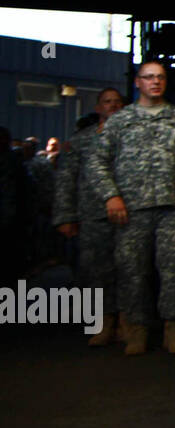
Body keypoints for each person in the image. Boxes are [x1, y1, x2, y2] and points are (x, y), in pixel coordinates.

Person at [86, 62, 175, 355]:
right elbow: (96, 162)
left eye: (160, 77)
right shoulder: (121, 121)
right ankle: (137, 329)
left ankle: (173, 326)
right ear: (138, 83)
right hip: (131, 209)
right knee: (132, 270)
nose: (155, 82)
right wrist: (111, 196)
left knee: (174, 269)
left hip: (173, 207)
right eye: (149, 78)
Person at [52, 87, 125, 346]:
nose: (113, 106)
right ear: (98, 108)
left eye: (117, 102)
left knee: (129, 268)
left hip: (128, 212)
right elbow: (65, 179)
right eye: (107, 102)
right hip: (92, 213)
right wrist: (65, 215)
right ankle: (103, 320)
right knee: (95, 269)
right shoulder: (81, 140)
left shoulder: (133, 136)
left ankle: (128, 321)